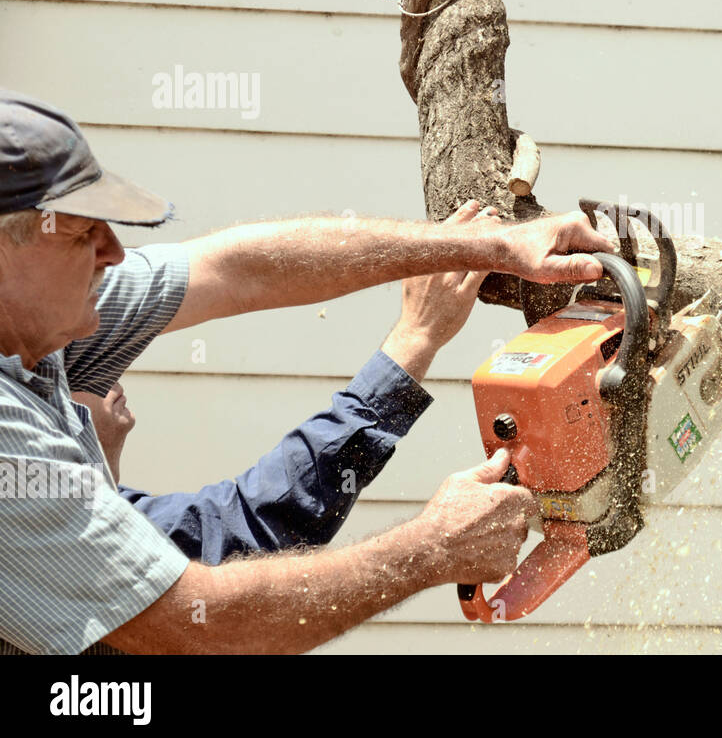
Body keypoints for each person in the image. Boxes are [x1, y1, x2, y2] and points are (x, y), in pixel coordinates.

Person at [0, 89, 615, 654]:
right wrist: (430, 551)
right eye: (82, 233)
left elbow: (239, 269)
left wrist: (489, 247)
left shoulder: (41, 321)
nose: (112, 251)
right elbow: (196, 624)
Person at [70, 200, 497, 566]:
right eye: (75, 358)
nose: (108, 364)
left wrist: (455, 247)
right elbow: (260, 527)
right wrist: (415, 337)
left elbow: (236, 270)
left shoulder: (51, 301)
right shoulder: (73, 528)